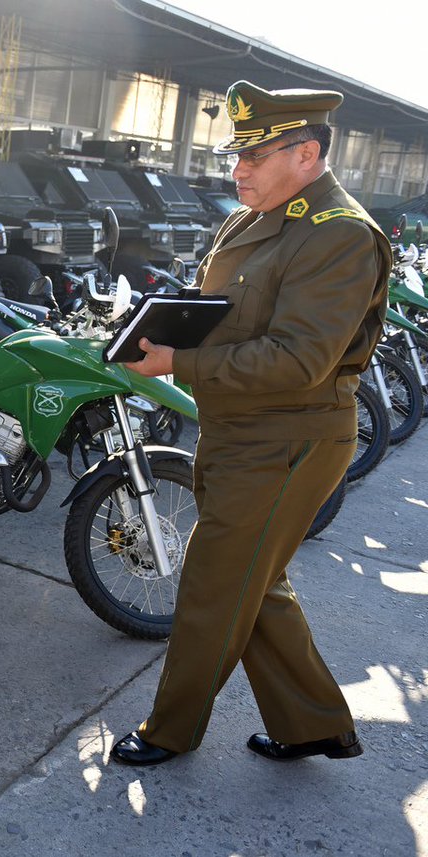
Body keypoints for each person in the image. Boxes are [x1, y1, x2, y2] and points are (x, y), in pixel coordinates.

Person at [108, 81, 392, 767]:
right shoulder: (253, 217)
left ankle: (169, 728)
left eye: (254, 157)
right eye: (236, 155)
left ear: (306, 154)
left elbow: (298, 359)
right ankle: (314, 722)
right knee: (252, 581)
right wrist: (160, 320)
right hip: (239, 429)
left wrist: (179, 362)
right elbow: (227, 309)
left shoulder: (340, 236)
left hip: (287, 437)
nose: (238, 171)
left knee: (215, 582)